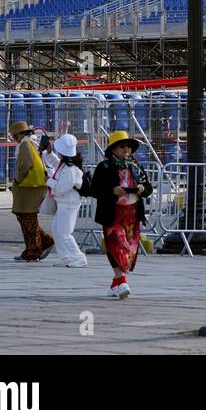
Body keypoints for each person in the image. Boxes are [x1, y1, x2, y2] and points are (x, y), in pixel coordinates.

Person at [91, 131, 153, 298]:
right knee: (117, 244)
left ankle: (116, 283)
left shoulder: (136, 166)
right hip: (113, 213)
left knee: (131, 247)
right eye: (122, 146)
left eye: (129, 146)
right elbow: (94, 189)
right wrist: (112, 191)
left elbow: (148, 187)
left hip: (132, 214)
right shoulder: (104, 167)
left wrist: (142, 189)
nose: (126, 149)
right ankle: (122, 280)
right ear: (113, 149)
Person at [10, 120, 55, 262]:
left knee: (27, 219)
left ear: (19, 134)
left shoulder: (25, 145)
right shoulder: (33, 144)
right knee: (27, 218)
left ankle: (33, 250)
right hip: (34, 186)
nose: (13, 138)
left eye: (14, 135)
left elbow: (26, 165)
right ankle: (44, 242)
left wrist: (17, 179)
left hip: (28, 187)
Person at [46, 134, 88, 268]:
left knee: (64, 232)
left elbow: (59, 189)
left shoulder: (71, 170)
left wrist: (48, 181)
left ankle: (78, 257)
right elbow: (54, 162)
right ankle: (65, 256)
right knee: (56, 229)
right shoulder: (65, 166)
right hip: (64, 203)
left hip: (69, 203)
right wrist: (48, 153)